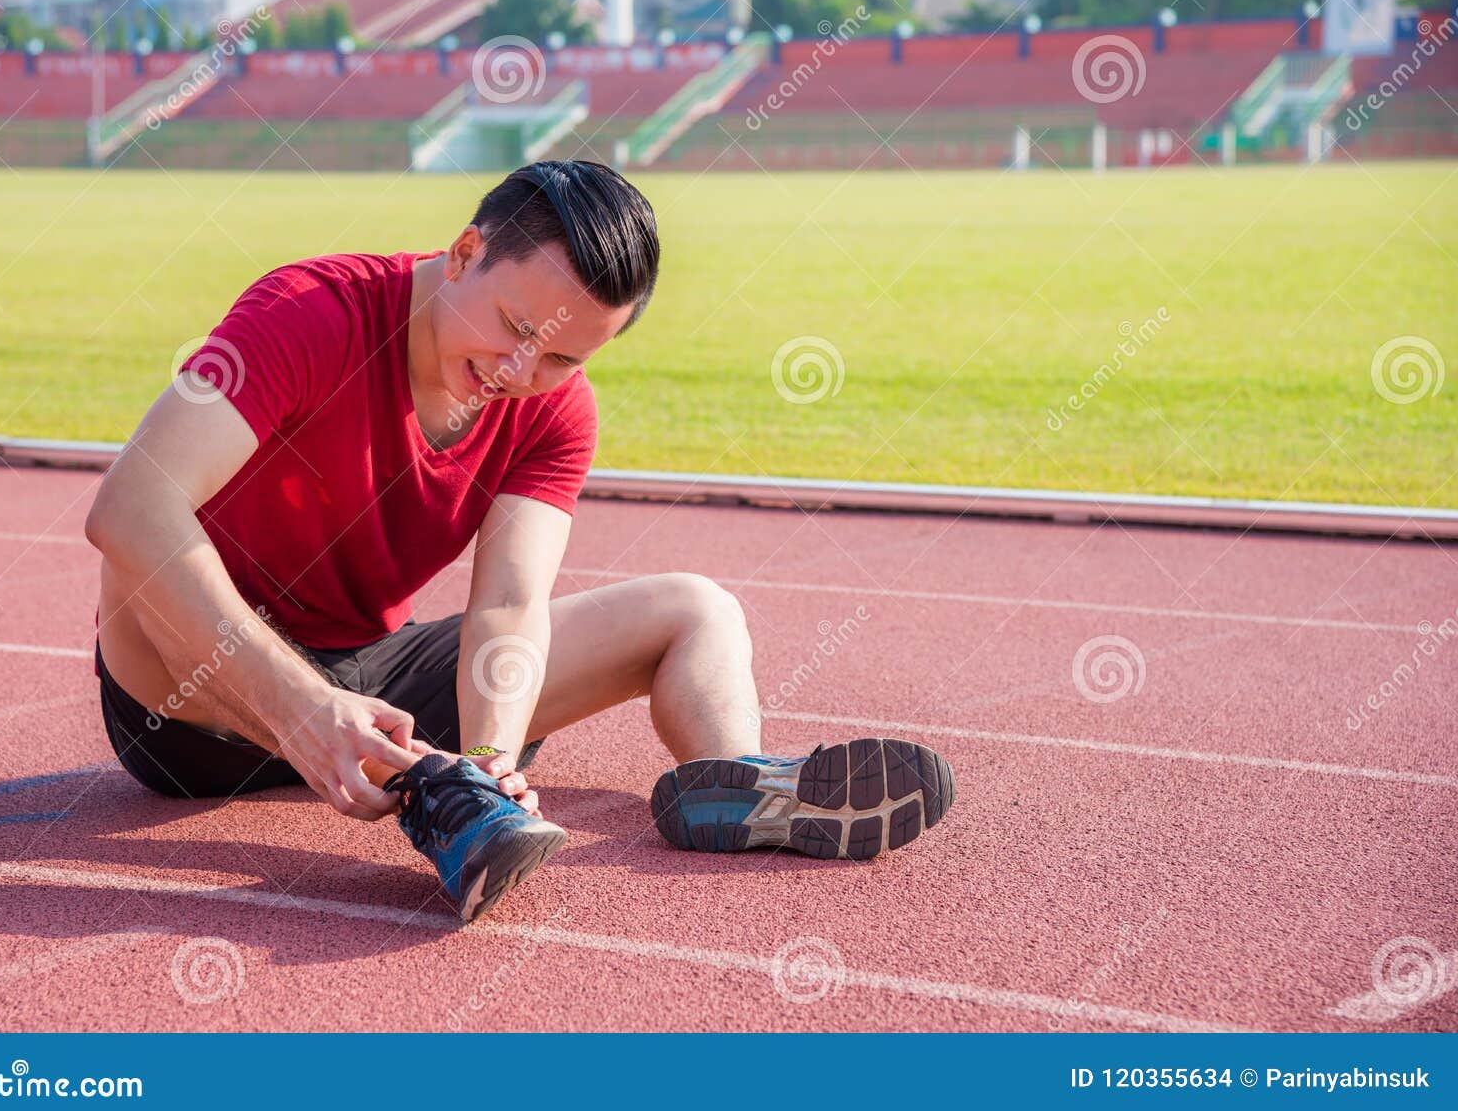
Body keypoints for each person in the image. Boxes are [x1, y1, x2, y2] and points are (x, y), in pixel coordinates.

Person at [85, 160, 954, 922]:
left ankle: (736, 783)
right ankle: (423, 781)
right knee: (144, 566)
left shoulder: (555, 415)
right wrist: (301, 710)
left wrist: (494, 758)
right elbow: (128, 508)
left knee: (698, 609)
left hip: (366, 673)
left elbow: (508, 603)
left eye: (561, 360)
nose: (519, 374)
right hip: (184, 703)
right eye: (516, 327)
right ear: (464, 254)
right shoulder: (310, 314)